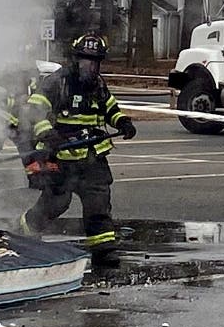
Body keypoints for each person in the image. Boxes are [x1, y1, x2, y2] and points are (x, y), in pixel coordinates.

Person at [18, 32, 137, 265]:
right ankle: (24, 231)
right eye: (85, 61)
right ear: (75, 59)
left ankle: (103, 249)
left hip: (92, 157)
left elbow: (109, 107)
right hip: (61, 156)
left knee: (98, 202)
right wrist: (47, 133)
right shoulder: (58, 81)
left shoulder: (98, 84)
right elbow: (34, 110)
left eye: (94, 62)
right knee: (55, 203)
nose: (90, 67)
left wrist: (122, 121)